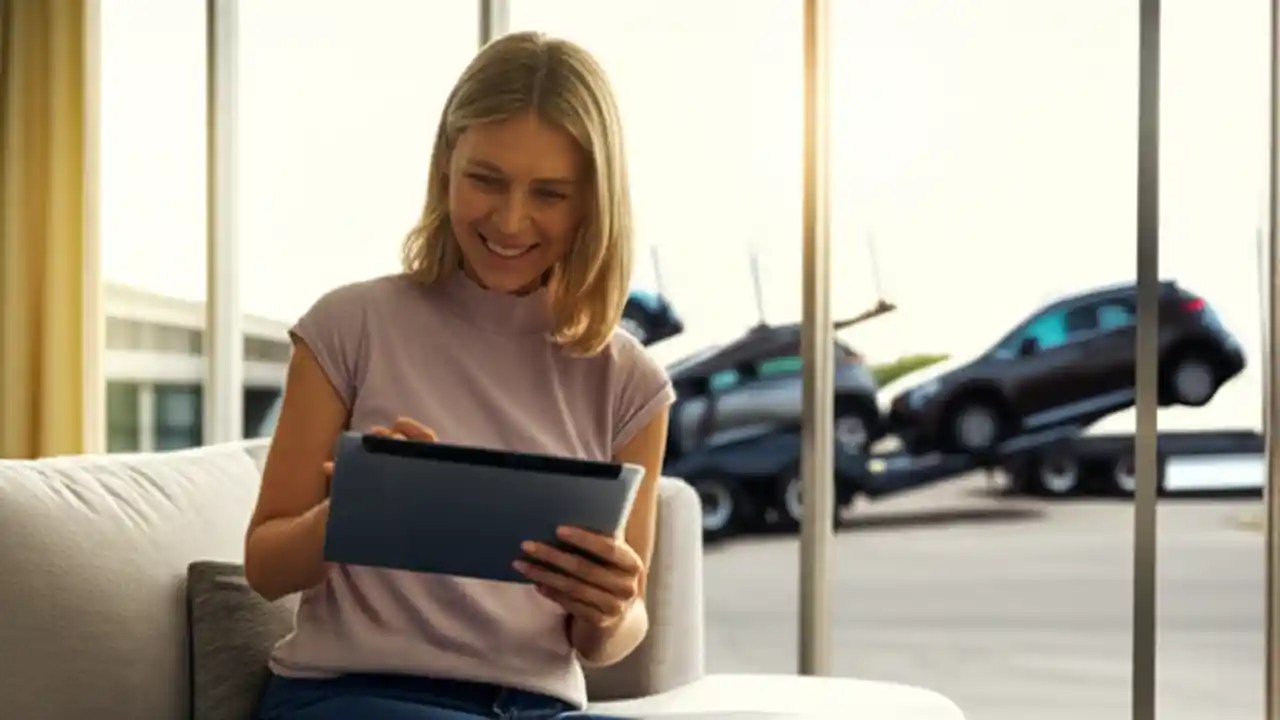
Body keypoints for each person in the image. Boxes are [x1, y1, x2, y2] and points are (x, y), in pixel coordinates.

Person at [244, 30, 675, 720]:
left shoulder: (630, 381)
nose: (510, 220)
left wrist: (612, 604)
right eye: (486, 180)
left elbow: (607, 638)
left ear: (593, 200)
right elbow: (264, 567)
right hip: (354, 693)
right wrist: (352, 512)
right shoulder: (348, 327)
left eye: (550, 194)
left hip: (536, 706)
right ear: (446, 163)